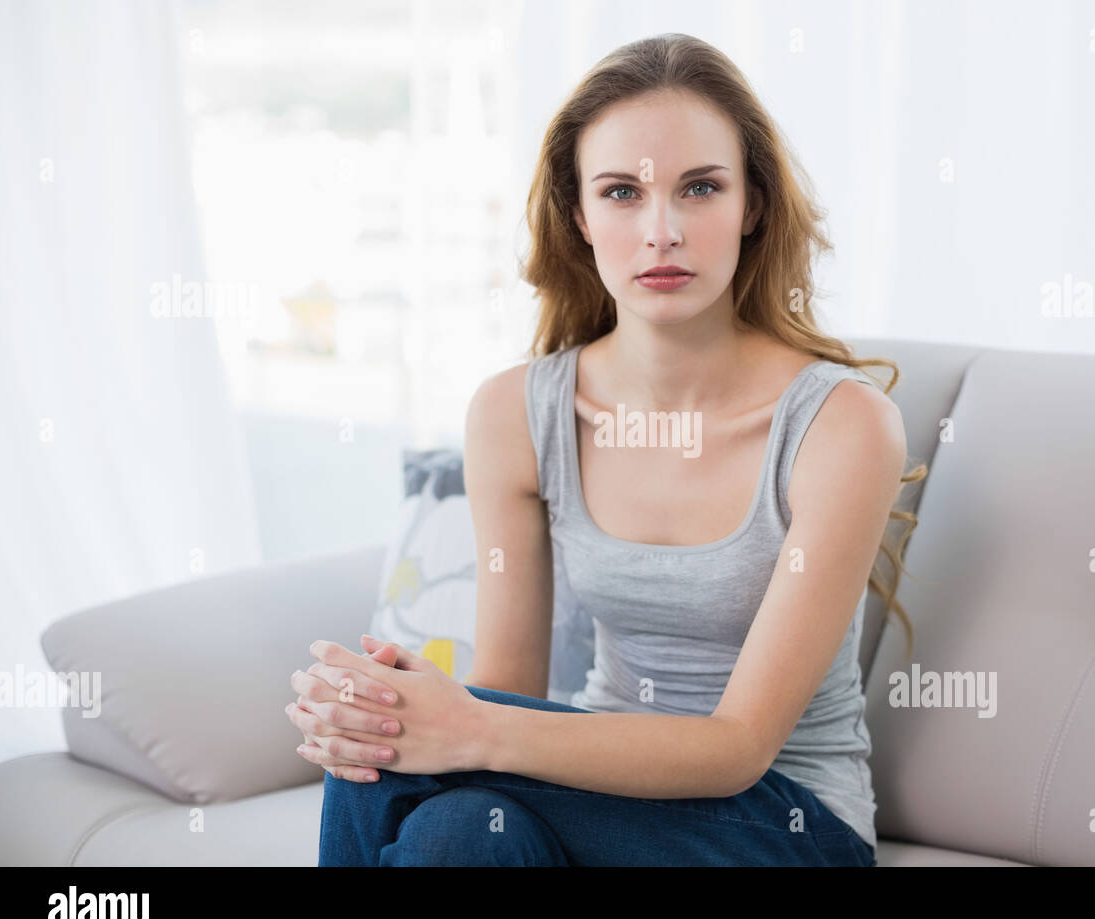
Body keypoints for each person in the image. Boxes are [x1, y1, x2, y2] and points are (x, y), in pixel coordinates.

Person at [287, 32, 926, 866]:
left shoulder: (842, 425)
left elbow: (737, 747)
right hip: (593, 794)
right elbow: (510, 698)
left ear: (753, 206)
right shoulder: (516, 413)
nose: (662, 230)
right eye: (623, 192)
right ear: (580, 217)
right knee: (441, 818)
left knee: (379, 734)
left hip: (783, 821)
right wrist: (408, 713)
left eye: (700, 188)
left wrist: (447, 721)